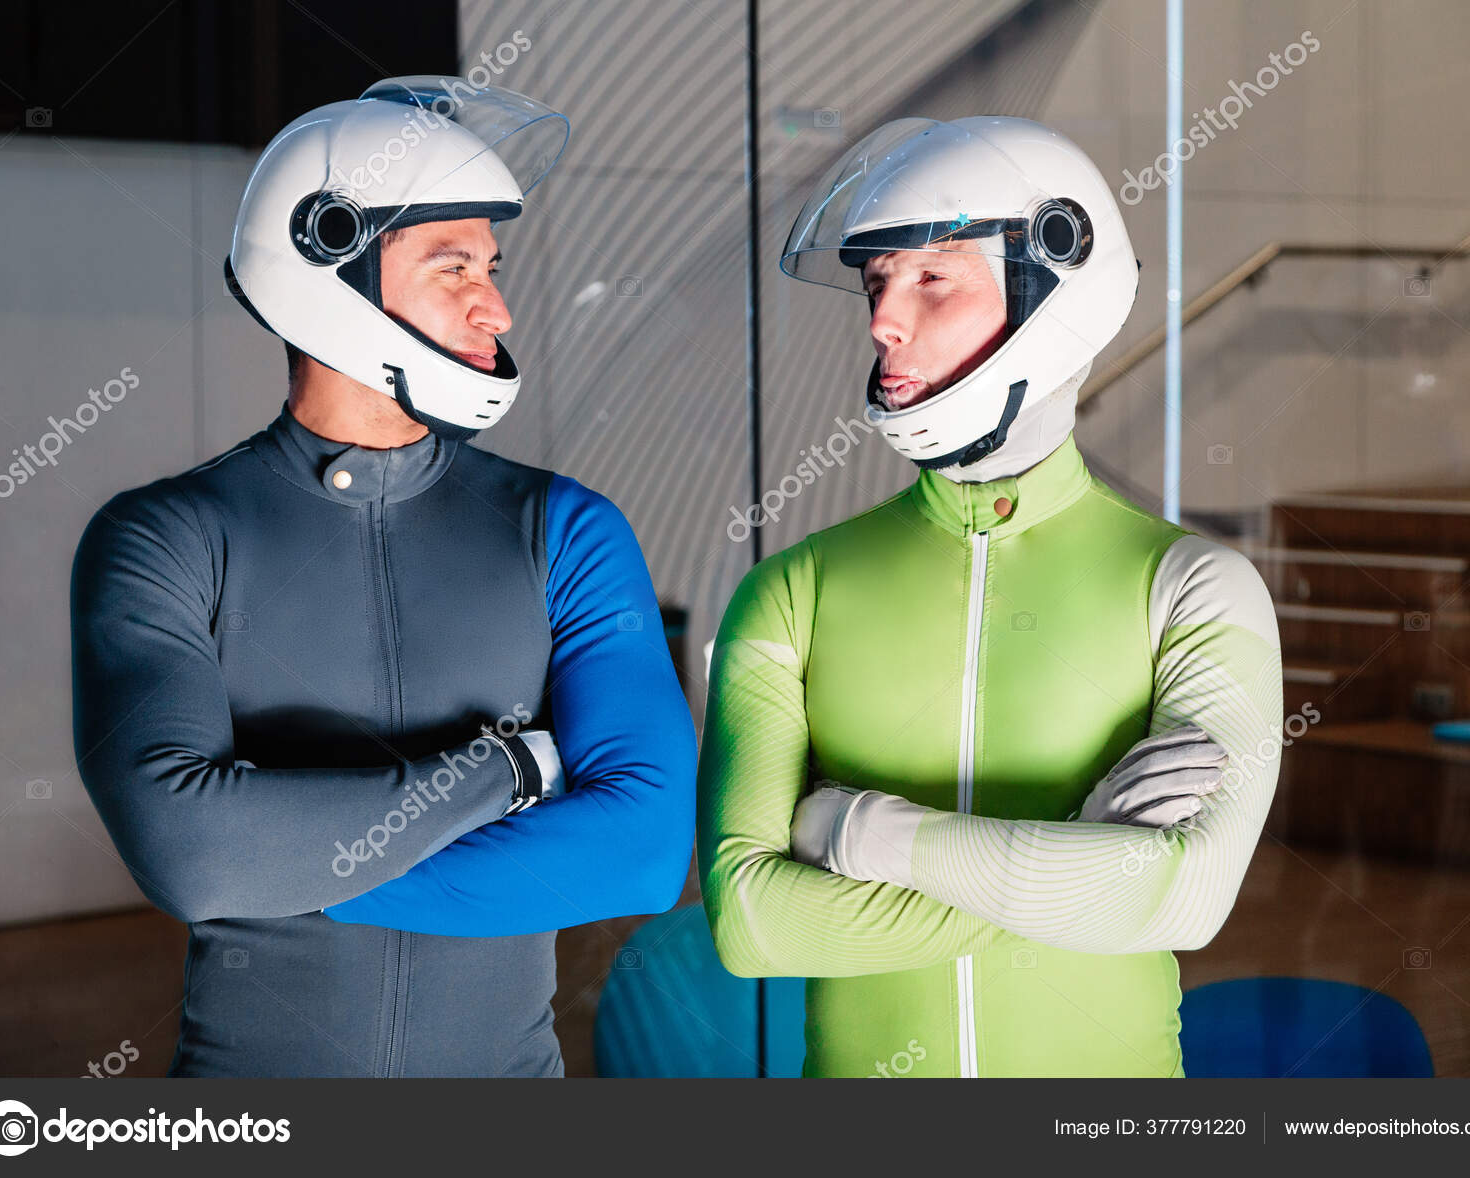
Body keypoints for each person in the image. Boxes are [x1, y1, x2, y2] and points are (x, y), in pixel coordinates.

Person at [70, 76, 695, 1077]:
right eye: (453, 266)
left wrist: (291, 855)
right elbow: (193, 858)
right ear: (326, 263)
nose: (495, 303)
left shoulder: (566, 527)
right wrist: (516, 772)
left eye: (491, 266)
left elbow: (646, 851)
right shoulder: (164, 538)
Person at [697, 116, 1283, 1077]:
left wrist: (855, 831)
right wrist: (1072, 865)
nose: (884, 320)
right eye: (878, 283)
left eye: (932, 278)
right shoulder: (790, 591)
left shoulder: (1196, 588)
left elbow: (1184, 902)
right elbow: (754, 927)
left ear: (1058, 283)